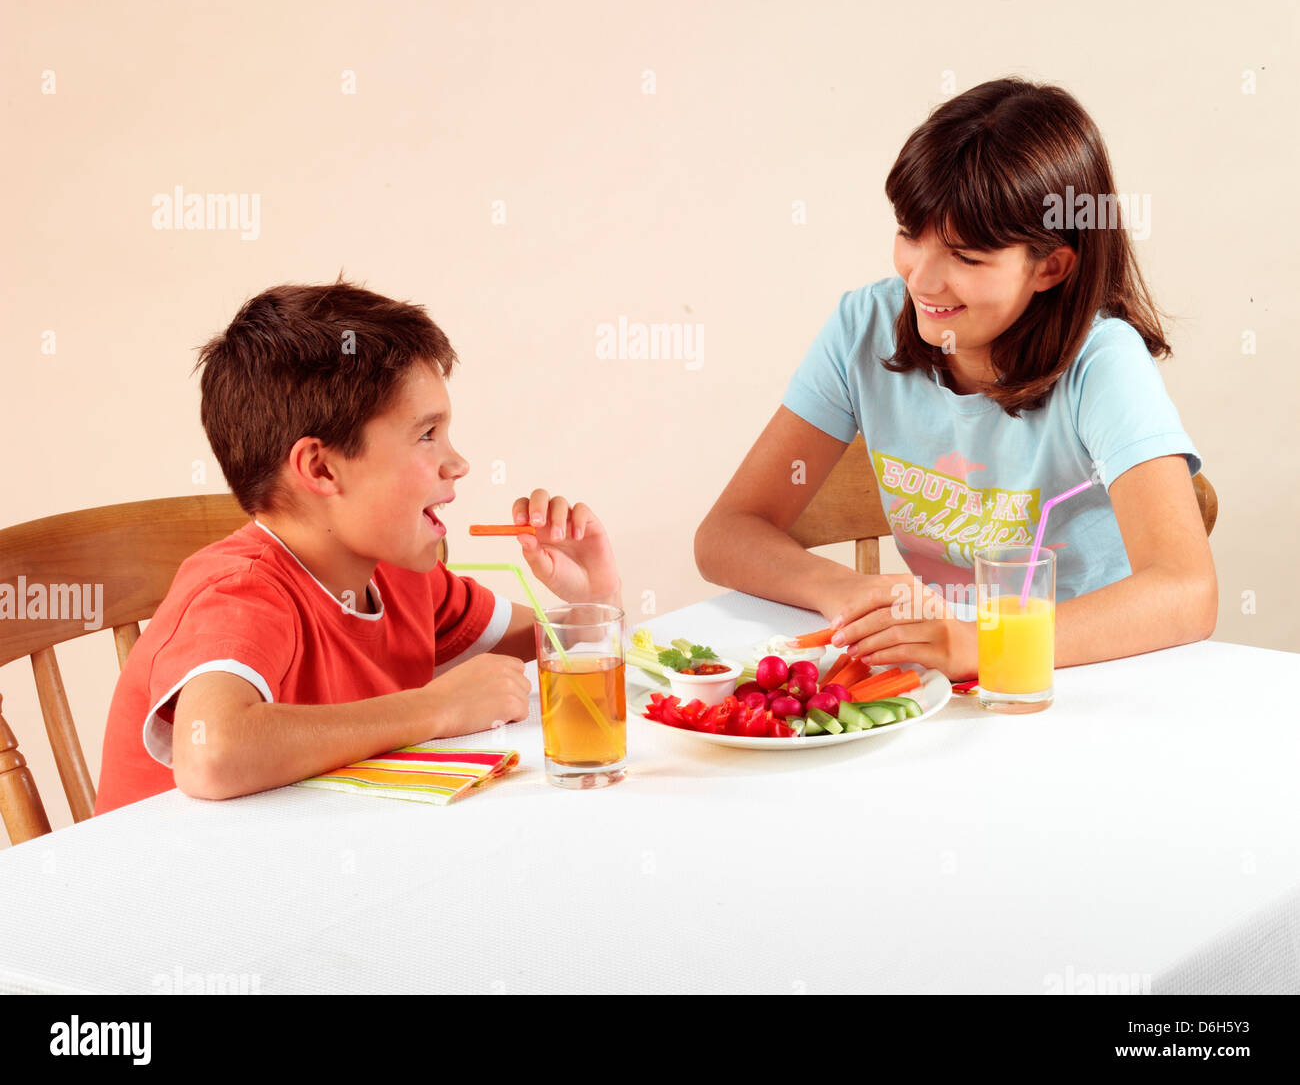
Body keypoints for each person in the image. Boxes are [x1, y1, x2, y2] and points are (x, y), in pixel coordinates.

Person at [695, 77, 1216, 681]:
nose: (922, 279)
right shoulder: (862, 328)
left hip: (1089, 679)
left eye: (966, 258)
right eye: (910, 234)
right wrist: (845, 590)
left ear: (1050, 265)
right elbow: (726, 532)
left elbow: (1187, 591)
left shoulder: (1103, 362)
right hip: (950, 689)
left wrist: (980, 643)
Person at [95, 280, 619, 812]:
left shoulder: (399, 575)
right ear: (321, 468)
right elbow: (214, 752)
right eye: (426, 434)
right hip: (183, 882)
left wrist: (592, 599)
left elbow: (553, 645)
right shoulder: (241, 592)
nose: (457, 463)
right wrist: (436, 708)